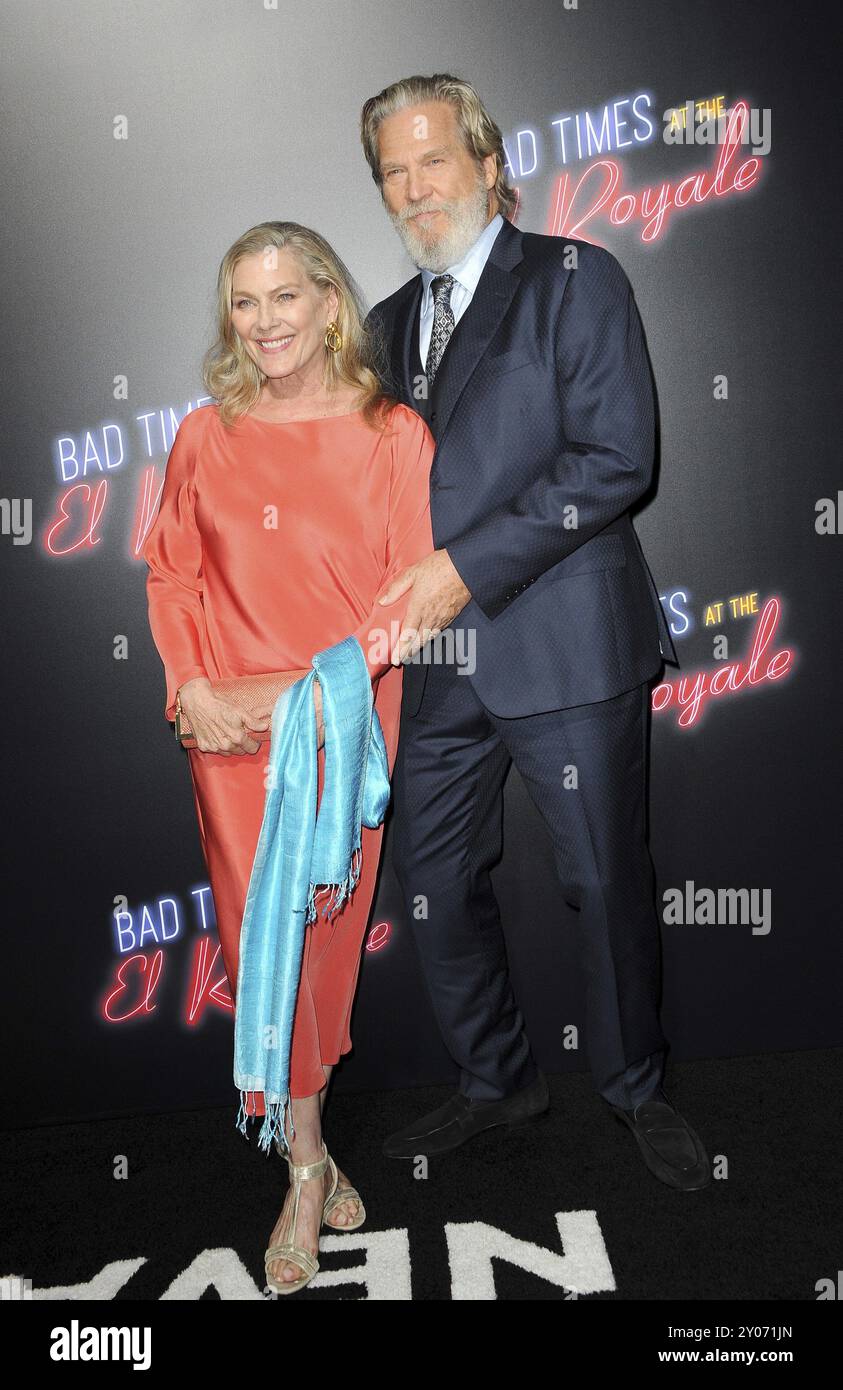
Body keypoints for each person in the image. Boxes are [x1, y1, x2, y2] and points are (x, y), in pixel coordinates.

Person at [358, 73, 711, 1190]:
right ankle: (496, 1079)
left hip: (562, 646)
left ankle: (635, 1088)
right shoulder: (382, 324)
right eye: (392, 172)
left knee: (605, 880)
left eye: (433, 161)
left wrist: (463, 569)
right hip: (435, 673)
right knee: (435, 881)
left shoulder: (576, 277)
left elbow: (616, 459)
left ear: (490, 163)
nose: (415, 189)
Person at [142, 220, 434, 1289]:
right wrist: (190, 686)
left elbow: (408, 603)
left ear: (327, 302)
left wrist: (299, 693)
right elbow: (171, 577)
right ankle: (305, 1164)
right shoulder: (203, 436)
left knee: (324, 939)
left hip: (337, 732)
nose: (264, 323)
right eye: (244, 303)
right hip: (228, 739)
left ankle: (306, 1143)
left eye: (283, 298)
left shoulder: (392, 433)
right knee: (261, 937)